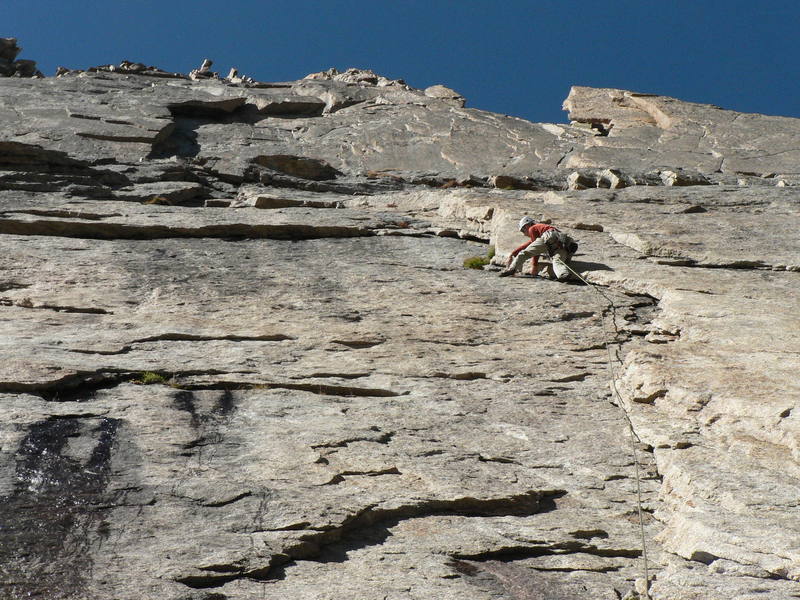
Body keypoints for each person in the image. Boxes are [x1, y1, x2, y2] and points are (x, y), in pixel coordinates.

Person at [499, 216, 577, 280]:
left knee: (524, 253)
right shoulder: (542, 228)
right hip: (562, 242)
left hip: (548, 237)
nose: (524, 234)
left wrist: (534, 266)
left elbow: (535, 251)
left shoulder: (532, 228)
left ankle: (512, 269)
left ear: (526, 226)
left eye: (523, 231)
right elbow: (529, 244)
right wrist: (513, 253)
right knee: (557, 261)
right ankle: (563, 274)